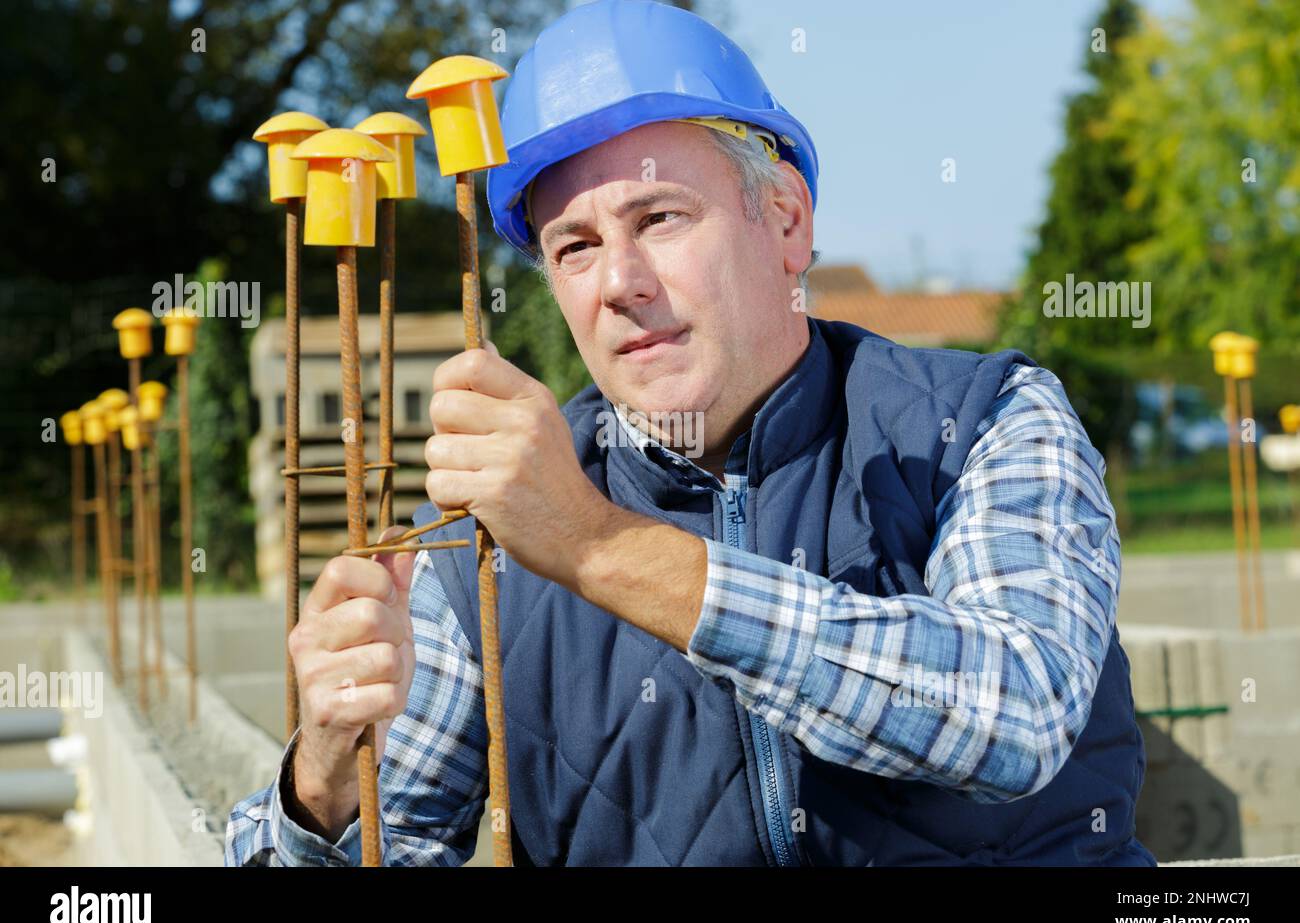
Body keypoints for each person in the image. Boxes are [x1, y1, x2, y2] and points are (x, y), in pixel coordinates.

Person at [226, 0, 1155, 866]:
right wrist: (323, 785)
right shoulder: (485, 542)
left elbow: (1013, 712)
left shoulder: (982, 421)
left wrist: (599, 548)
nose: (619, 281)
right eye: (575, 246)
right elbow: (393, 838)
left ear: (785, 220)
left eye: (659, 217)